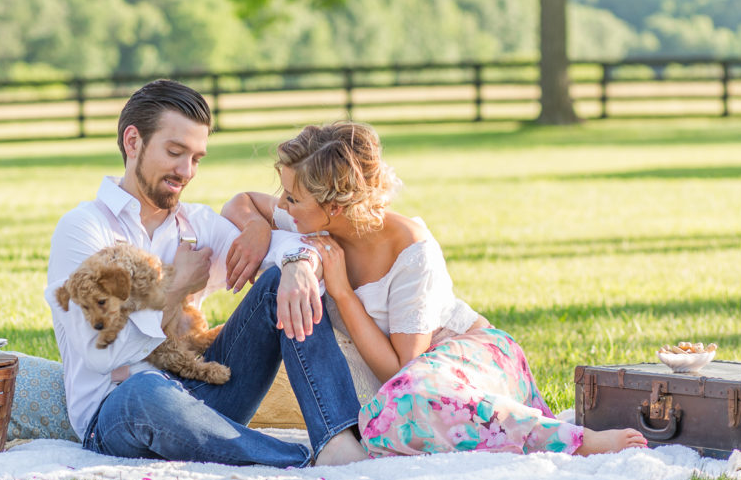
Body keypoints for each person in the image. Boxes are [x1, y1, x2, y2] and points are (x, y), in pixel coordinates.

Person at [221, 121, 647, 457]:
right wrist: (257, 227)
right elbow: (239, 201)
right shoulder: (307, 219)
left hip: (468, 356)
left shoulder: (412, 251)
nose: (282, 204)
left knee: (408, 400)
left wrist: (344, 294)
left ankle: (571, 441)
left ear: (334, 206)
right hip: (412, 381)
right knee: (389, 416)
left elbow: (401, 370)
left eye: (292, 198)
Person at [45, 80, 369, 468]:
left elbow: (294, 245)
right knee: (142, 388)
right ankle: (297, 460)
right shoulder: (84, 229)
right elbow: (101, 353)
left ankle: (337, 439)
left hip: (209, 395)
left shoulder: (197, 224)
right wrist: (176, 285)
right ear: (133, 142)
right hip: (119, 415)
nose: (187, 171)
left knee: (277, 287)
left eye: (197, 158)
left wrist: (294, 262)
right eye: (175, 152)